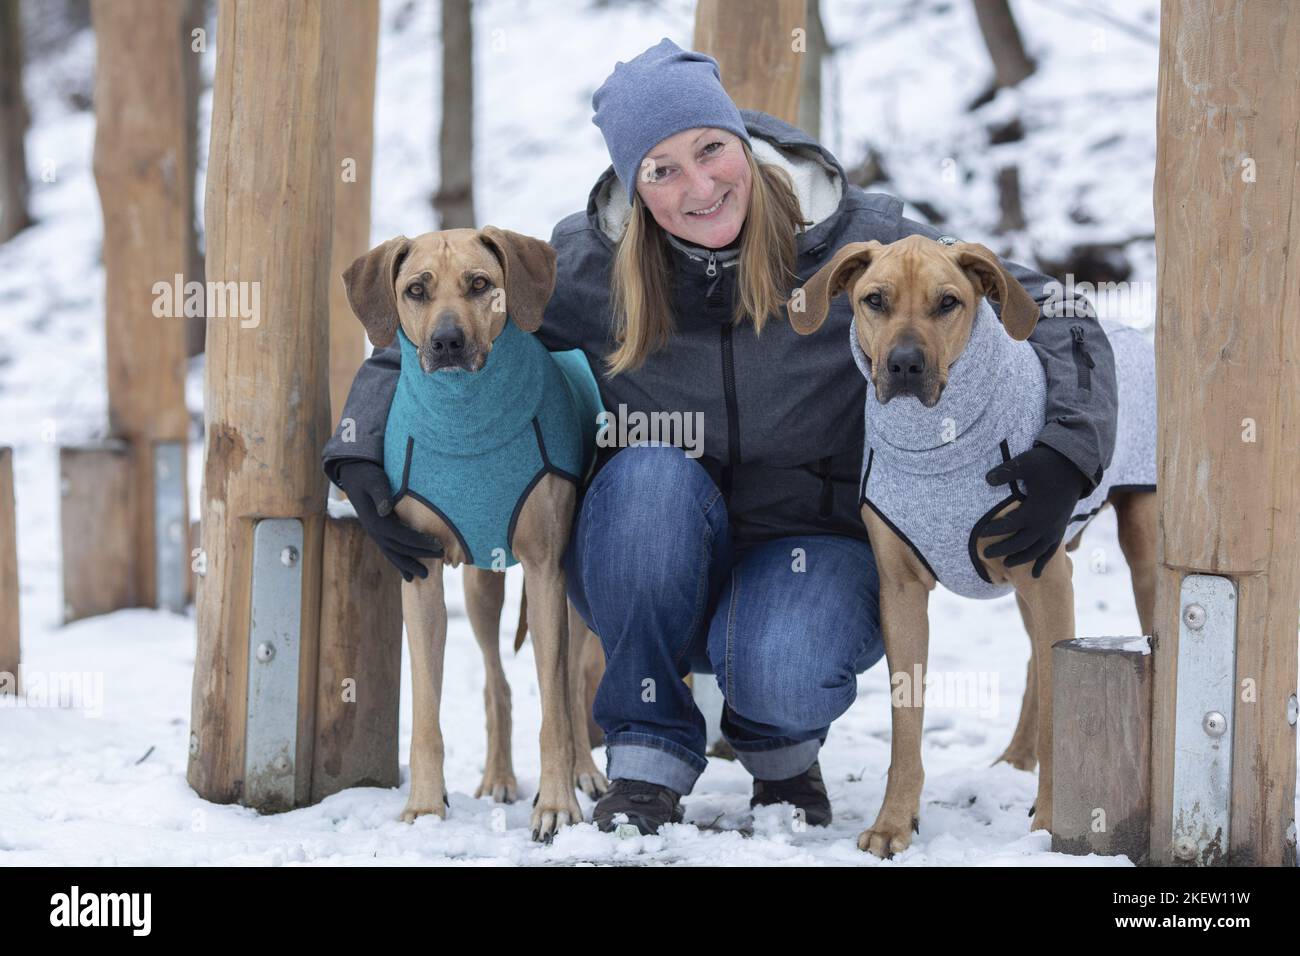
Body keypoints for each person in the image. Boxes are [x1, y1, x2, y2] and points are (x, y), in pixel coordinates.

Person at [322, 37, 1118, 836]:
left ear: (740, 141)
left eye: (710, 150)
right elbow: (439, 328)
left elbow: (1061, 311)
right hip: (650, 549)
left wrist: (1069, 452)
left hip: (811, 549)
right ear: (636, 186)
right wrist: (359, 439)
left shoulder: (862, 242)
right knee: (645, 476)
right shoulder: (586, 266)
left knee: (783, 653)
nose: (699, 186)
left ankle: (780, 753)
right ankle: (648, 760)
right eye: (662, 170)